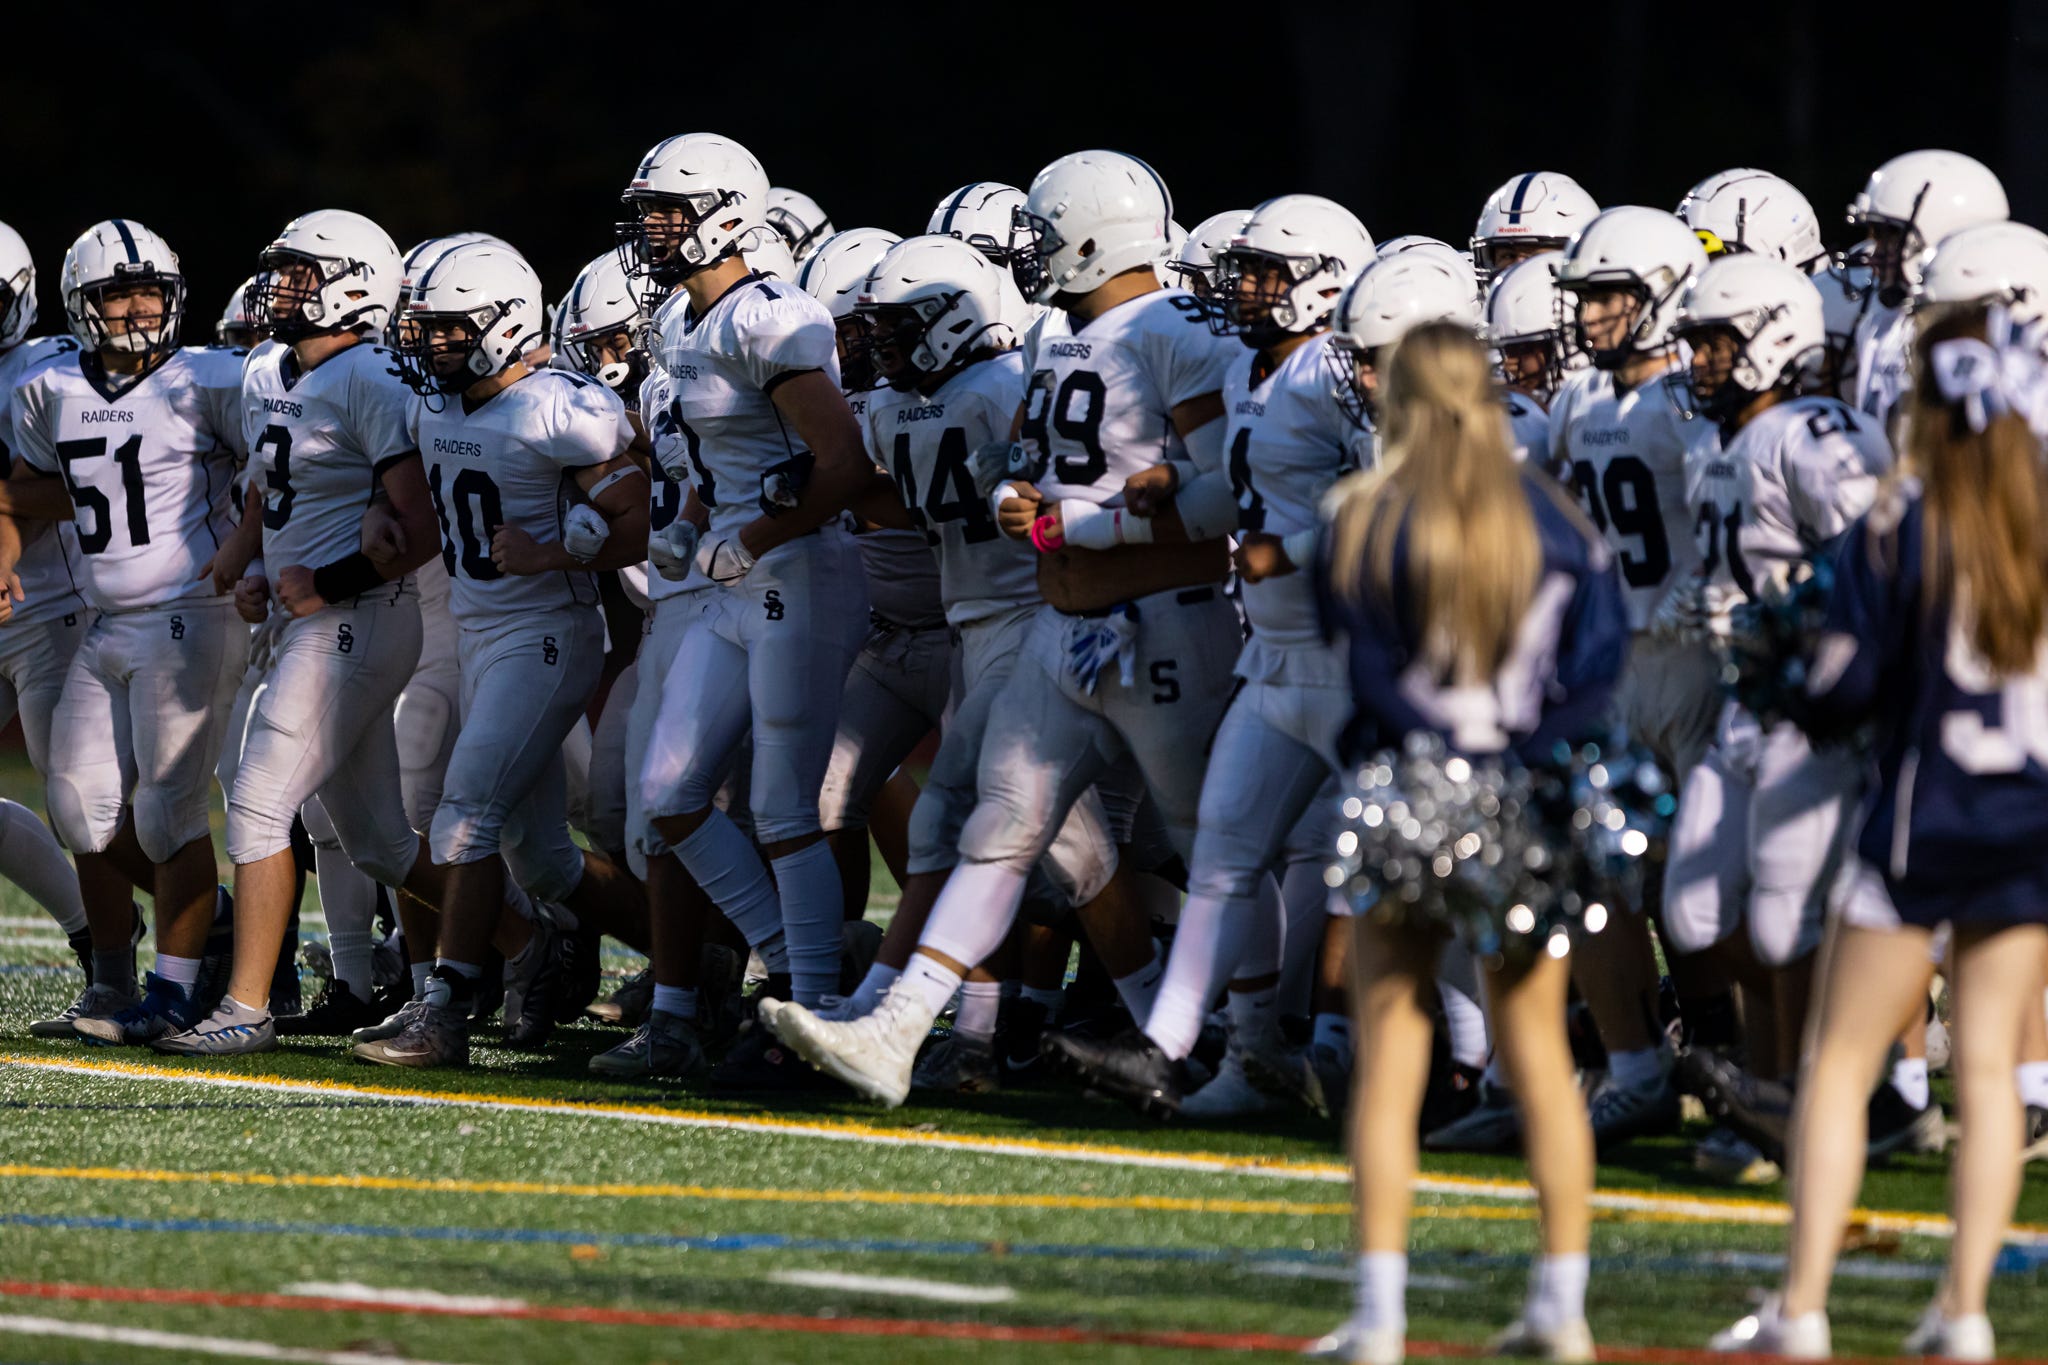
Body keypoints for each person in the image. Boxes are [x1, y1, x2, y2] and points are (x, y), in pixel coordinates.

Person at [762, 148, 1244, 1106]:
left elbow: (1224, 495)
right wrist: (1022, 490)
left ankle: (1247, 1040)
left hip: (1160, 624)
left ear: (1100, 230)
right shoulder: (1053, 336)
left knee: (1218, 845)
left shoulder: (1183, 329)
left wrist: (1089, 523)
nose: (1031, 249)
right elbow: (1029, 461)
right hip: (1065, 628)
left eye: (1047, 228)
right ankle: (896, 1029)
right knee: (995, 827)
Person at [1710, 303, 2048, 1362]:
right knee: (1987, 1069)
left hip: (1921, 823)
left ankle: (1800, 1312)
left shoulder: (1903, 521)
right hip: (2028, 826)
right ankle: (1961, 1317)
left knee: (1836, 1062)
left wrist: (1785, 682)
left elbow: (1841, 686)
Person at [1309, 320, 1625, 1365]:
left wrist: (1429, 752)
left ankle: (1378, 1316)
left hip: (1408, 788)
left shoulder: (1363, 515)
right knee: (1537, 1052)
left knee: (1393, 1049)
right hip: (1523, 797)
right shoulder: (1558, 521)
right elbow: (1590, 681)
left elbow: (1361, 677)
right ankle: (1560, 1307)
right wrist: (1519, 758)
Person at [1037, 194, 1377, 1117]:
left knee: (1382, 864)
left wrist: (1296, 551)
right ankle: (1223, 1051)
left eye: (1272, 272)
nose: (1249, 287)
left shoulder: (1343, 379)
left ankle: (1453, 1061)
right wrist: (1158, 489)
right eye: (1250, 268)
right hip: (1273, 655)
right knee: (1226, 848)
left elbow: (1399, 502)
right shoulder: (1257, 374)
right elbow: (1238, 496)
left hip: (1354, 661)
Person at [353, 240, 650, 1067]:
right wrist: (384, 511)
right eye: (426, 328)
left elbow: (643, 517)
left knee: (462, 817)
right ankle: (699, 965)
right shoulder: (436, 403)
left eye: (449, 330)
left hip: (548, 634)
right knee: (547, 860)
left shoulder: (561, 407)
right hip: (484, 635)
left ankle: (443, 1009)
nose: (429, 345)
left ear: (504, 324)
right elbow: (417, 489)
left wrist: (557, 553)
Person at [155, 209, 439, 1052]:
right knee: (382, 842)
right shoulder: (268, 369)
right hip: (309, 620)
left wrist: (329, 580)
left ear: (355, 285)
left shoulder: (374, 378)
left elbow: (421, 527)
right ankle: (516, 948)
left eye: (302, 274)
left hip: (358, 621)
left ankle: (246, 1008)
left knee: (256, 803)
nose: (283, 289)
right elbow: (265, 484)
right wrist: (246, 562)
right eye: (284, 271)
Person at [623, 133, 876, 1056]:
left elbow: (844, 462)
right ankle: (792, 962)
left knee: (780, 806)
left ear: (729, 214)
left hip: (800, 571)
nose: (652, 229)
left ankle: (809, 1010)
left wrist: (760, 532)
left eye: (669, 211)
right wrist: (693, 518)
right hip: (733, 573)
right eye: (647, 210)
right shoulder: (679, 321)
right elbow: (709, 453)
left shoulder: (771, 315)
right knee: (667, 793)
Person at [1655, 253, 1900, 1173]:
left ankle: (1797, 1100)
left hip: (1810, 715)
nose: (1702, 362)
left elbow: (1876, 566)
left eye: (1717, 344)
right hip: (1741, 708)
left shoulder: (1818, 433)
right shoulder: (1717, 441)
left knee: (1782, 921)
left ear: (1771, 342)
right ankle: (1780, 1090)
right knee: (1691, 907)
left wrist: (1780, 616)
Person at [1, 219, 250, 1044]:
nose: (138, 308)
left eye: (150, 291)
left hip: (176, 610)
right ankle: (197, 943)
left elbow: (284, 466)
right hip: (109, 617)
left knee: (168, 810)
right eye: (118, 293)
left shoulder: (212, 380)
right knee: (76, 802)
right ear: (81, 304)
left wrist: (250, 555)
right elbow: (32, 487)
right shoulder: (54, 388)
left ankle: (179, 983)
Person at [0, 220, 100, 1027]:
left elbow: (81, 487)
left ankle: (201, 931)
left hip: (51, 606)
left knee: (85, 802)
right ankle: (95, 937)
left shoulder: (50, 368)